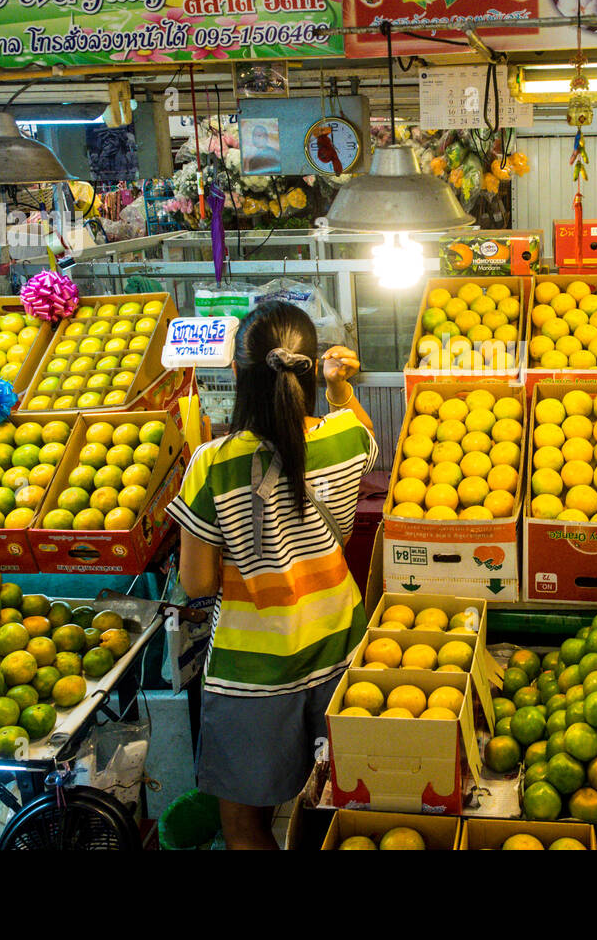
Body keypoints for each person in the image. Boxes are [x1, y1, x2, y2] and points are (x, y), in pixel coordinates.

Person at [167, 300, 375, 849]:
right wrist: (338, 390)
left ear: (236, 373)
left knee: (244, 823)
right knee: (346, 808)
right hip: (340, 650)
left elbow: (197, 583)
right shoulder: (345, 437)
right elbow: (359, 426)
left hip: (253, 674)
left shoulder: (212, 463)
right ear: (309, 371)